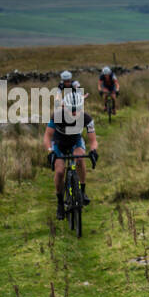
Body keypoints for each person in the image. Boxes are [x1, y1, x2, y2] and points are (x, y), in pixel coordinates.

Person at [44, 87, 98, 218]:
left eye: (78, 109)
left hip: (75, 142)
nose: (75, 113)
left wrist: (93, 151)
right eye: (72, 110)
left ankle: (82, 191)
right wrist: (50, 151)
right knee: (60, 171)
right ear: (65, 107)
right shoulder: (57, 116)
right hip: (59, 144)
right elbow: (47, 136)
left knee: (80, 159)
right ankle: (60, 203)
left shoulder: (86, 118)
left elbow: (93, 140)